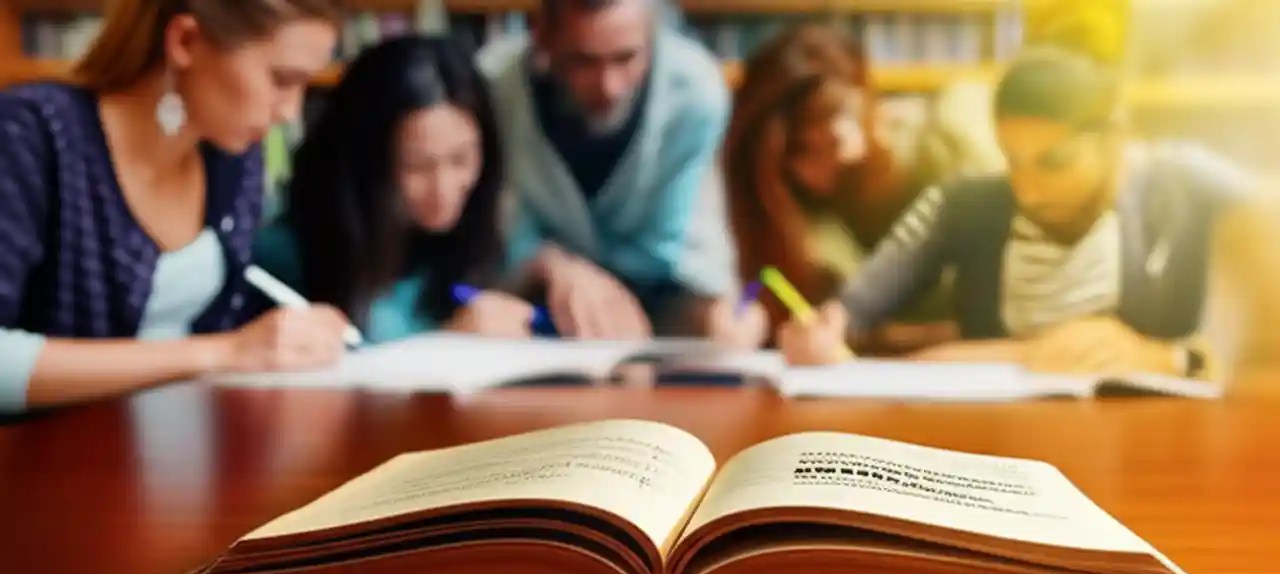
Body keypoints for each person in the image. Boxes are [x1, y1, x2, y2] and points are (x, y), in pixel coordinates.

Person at [780, 47, 1267, 380]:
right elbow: (854, 306)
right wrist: (820, 336)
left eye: (1055, 162)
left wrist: (1174, 358)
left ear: (1114, 139)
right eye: (1013, 161)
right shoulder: (962, 204)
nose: (1029, 191)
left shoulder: (1179, 185)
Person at [0, 0, 350, 416]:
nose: (290, 112)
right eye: (281, 79)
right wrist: (228, 351)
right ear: (184, 41)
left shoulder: (235, 159)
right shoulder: (28, 134)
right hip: (52, 464)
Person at [478, 0, 760, 344]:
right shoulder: (493, 88)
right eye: (583, 61)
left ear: (654, 37)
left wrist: (718, 318)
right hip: (532, 299)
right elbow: (492, 232)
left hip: (659, 295)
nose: (609, 86)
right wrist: (554, 266)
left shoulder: (695, 92)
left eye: (626, 58)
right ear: (542, 38)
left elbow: (679, 244)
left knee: (722, 330)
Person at [255, 37, 536, 343]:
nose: (443, 189)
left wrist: (557, 270)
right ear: (366, 161)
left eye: (461, 159)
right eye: (417, 166)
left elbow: (529, 257)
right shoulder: (286, 253)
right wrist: (447, 342)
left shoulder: (480, 225)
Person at [724, 24, 957, 353]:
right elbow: (754, 286)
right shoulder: (761, 200)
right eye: (799, 150)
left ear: (865, 112)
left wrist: (875, 336)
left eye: (832, 144)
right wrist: (741, 315)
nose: (814, 172)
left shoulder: (924, 164)